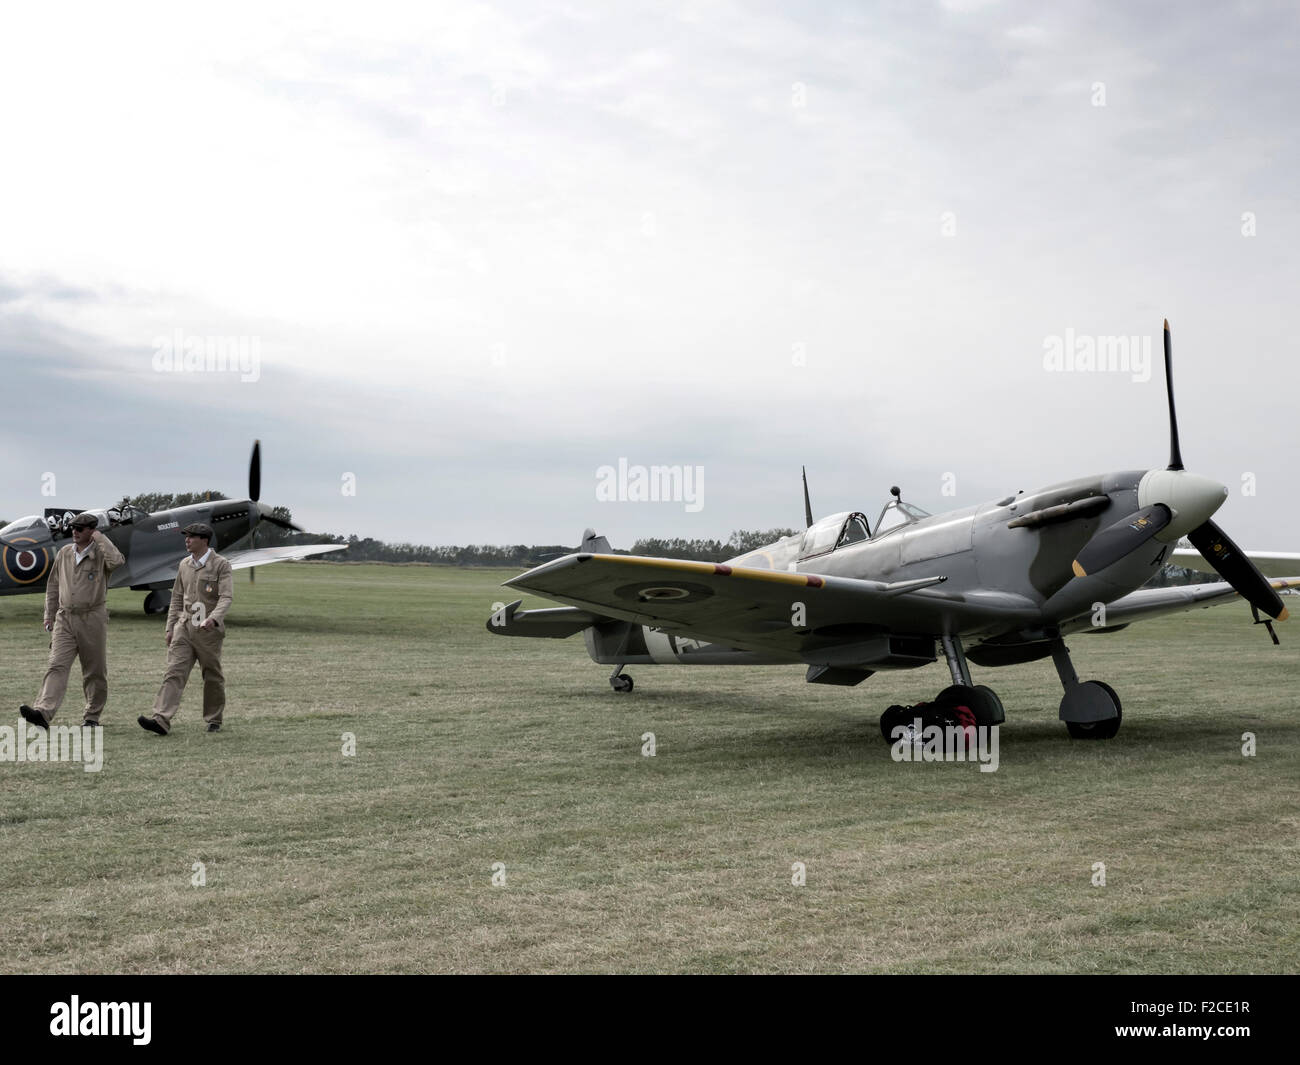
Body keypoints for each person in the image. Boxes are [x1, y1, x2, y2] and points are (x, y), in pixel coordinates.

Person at [19, 512, 126, 729]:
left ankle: (92, 716)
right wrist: (49, 614)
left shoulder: (100, 553)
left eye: (80, 528)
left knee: (94, 671)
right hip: (65, 618)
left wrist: (100, 537)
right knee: (56, 665)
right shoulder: (65, 553)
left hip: (92, 618)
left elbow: (117, 561)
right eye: (72, 528)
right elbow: (53, 586)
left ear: (91, 531)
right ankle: (43, 712)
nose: (74, 532)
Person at [138, 523, 233, 736]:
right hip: (184, 626)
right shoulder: (184, 564)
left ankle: (214, 719)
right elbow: (177, 597)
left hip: (208, 631)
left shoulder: (221, 565)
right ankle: (161, 719)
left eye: (191, 537)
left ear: (204, 540)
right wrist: (170, 627)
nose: (186, 540)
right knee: (174, 672)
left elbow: (226, 597)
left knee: (212, 675)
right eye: (186, 536)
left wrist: (214, 619)